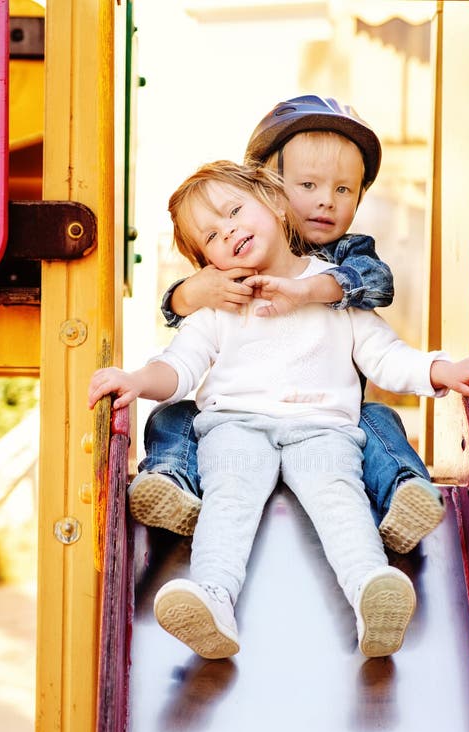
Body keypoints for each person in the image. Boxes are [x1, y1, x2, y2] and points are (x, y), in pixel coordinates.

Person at [88, 160, 469, 661]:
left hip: (322, 429)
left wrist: (441, 370)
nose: (230, 231)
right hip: (236, 427)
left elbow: (386, 357)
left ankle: (373, 591)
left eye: (235, 210)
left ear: (276, 202)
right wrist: (135, 380)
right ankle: (214, 599)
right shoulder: (221, 305)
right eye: (212, 236)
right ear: (208, 263)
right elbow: (177, 367)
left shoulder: (334, 289)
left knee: (339, 500)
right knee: (230, 502)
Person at [129, 96, 444, 554]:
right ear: (270, 190)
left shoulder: (350, 252)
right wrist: (192, 292)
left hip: (323, 424)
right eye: (309, 184)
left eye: (344, 190)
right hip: (243, 428)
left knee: (377, 419)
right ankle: (174, 484)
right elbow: (184, 321)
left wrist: (307, 291)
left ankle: (404, 491)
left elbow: (375, 283)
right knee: (173, 415)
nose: (325, 201)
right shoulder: (240, 251)